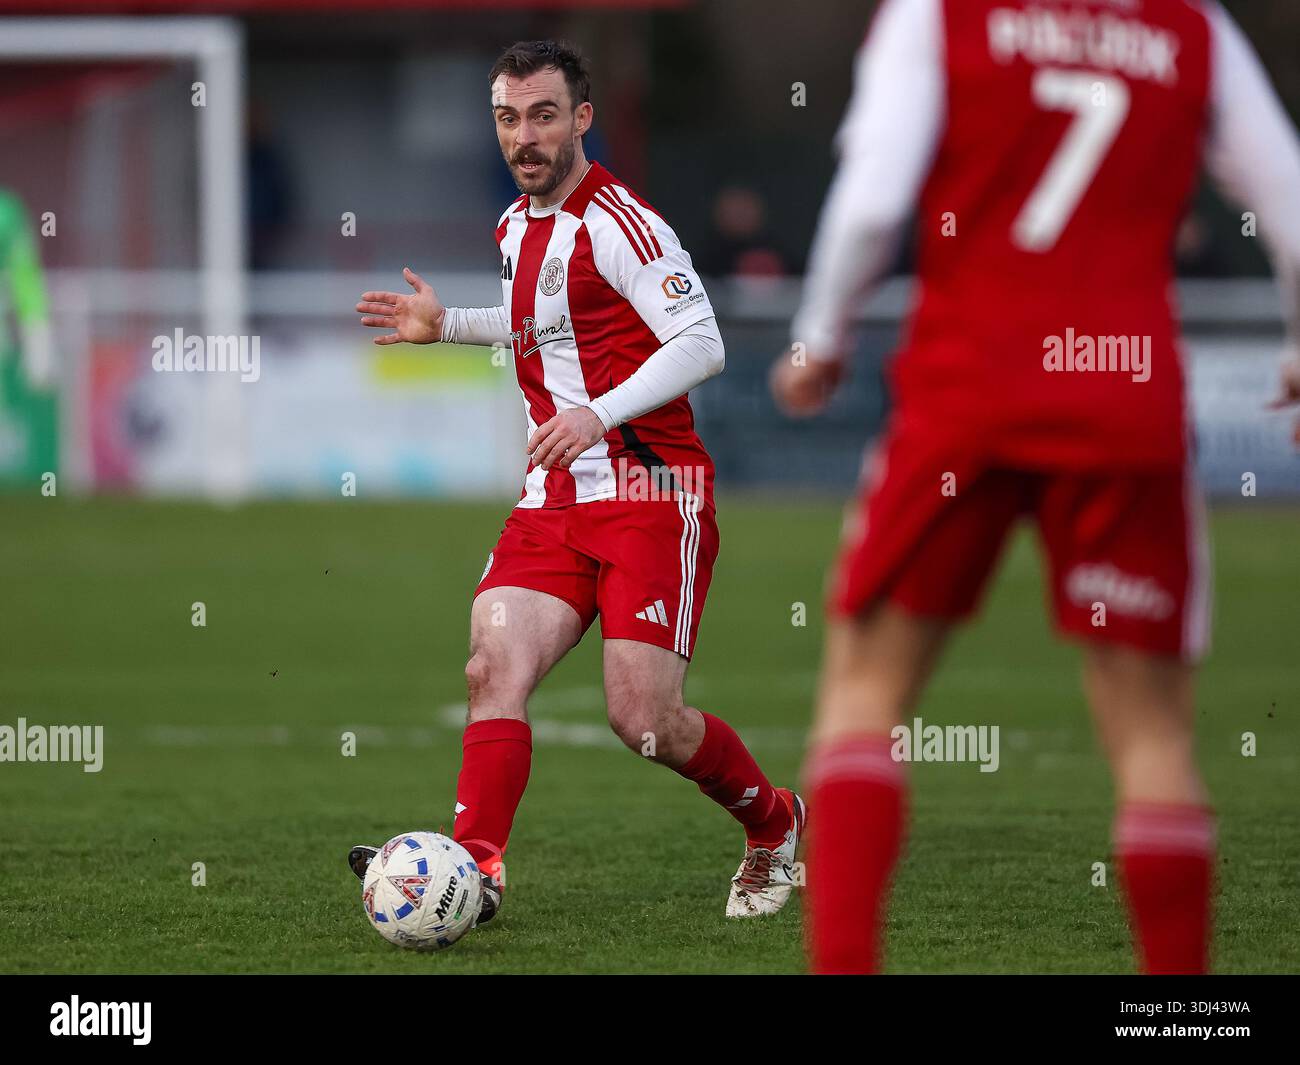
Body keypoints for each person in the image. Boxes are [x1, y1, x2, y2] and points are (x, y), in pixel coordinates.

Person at [771, 0, 1300, 973]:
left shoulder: (940, 15)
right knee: (1150, 738)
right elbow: (1291, 203)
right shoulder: (1192, 29)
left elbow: (875, 203)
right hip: (1123, 398)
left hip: (966, 390)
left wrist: (822, 335)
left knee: (863, 693)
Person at [352, 40, 805, 924]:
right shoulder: (515, 226)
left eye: (544, 115)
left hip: (648, 492)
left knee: (644, 719)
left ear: (582, 119)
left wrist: (599, 413)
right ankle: (477, 871)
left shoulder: (623, 222)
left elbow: (702, 341)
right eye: (509, 119)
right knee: (492, 666)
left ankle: (776, 824)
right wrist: (445, 325)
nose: (526, 137)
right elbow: (542, 324)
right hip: (553, 499)